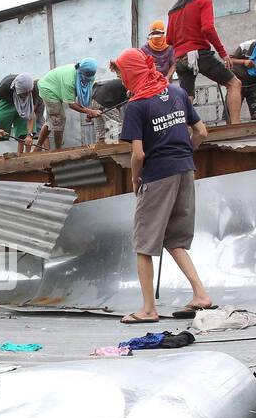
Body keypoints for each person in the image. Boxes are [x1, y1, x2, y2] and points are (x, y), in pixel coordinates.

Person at [114, 47, 213, 325]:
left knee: (144, 244)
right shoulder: (179, 93)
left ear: (132, 72)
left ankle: (148, 309)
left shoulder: (137, 105)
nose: (122, 80)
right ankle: (201, 294)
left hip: (157, 176)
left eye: (123, 73)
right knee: (174, 239)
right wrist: (185, 153)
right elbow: (202, 132)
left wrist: (136, 179)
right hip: (185, 170)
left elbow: (138, 154)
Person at [166, 0, 241, 125]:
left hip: (180, 58)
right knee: (234, 83)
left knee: (187, 97)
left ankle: (182, 131)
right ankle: (236, 126)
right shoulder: (203, 1)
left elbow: (169, 40)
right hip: (198, 54)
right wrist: (223, 53)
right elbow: (207, 28)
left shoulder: (173, 10)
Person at [35, 60, 99, 149]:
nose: (89, 79)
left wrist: (89, 113)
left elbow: (86, 94)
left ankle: (37, 147)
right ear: (81, 71)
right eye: (87, 76)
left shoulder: (89, 76)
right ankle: (58, 150)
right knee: (59, 120)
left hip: (57, 88)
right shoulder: (69, 80)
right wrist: (90, 111)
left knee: (51, 121)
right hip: (48, 89)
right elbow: (71, 104)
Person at [0, 72, 42, 155]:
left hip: (24, 104)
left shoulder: (33, 89)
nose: (24, 95)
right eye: (22, 94)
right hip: (6, 102)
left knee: (25, 127)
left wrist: (29, 135)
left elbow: (30, 114)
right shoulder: (6, 86)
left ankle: (25, 155)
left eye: (26, 94)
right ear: (15, 88)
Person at [90, 75, 129, 144]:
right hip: (106, 102)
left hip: (96, 99)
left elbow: (119, 104)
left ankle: (100, 150)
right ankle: (113, 149)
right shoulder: (129, 85)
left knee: (100, 131)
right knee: (114, 128)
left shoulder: (120, 83)